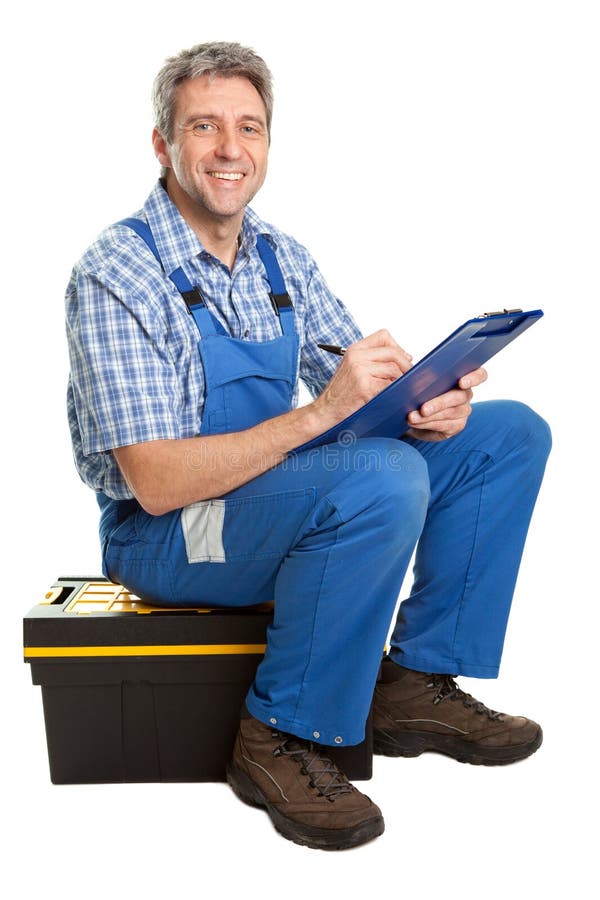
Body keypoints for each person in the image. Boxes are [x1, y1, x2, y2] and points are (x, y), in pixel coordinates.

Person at [65, 41, 551, 850]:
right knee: (382, 479)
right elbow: (151, 482)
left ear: (266, 143)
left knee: (506, 436)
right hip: (168, 534)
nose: (230, 150)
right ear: (163, 144)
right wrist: (322, 414)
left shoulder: (280, 256)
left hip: (268, 499)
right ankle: (280, 734)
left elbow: (359, 408)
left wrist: (424, 405)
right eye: (205, 127)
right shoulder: (116, 272)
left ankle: (413, 681)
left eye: (249, 128)